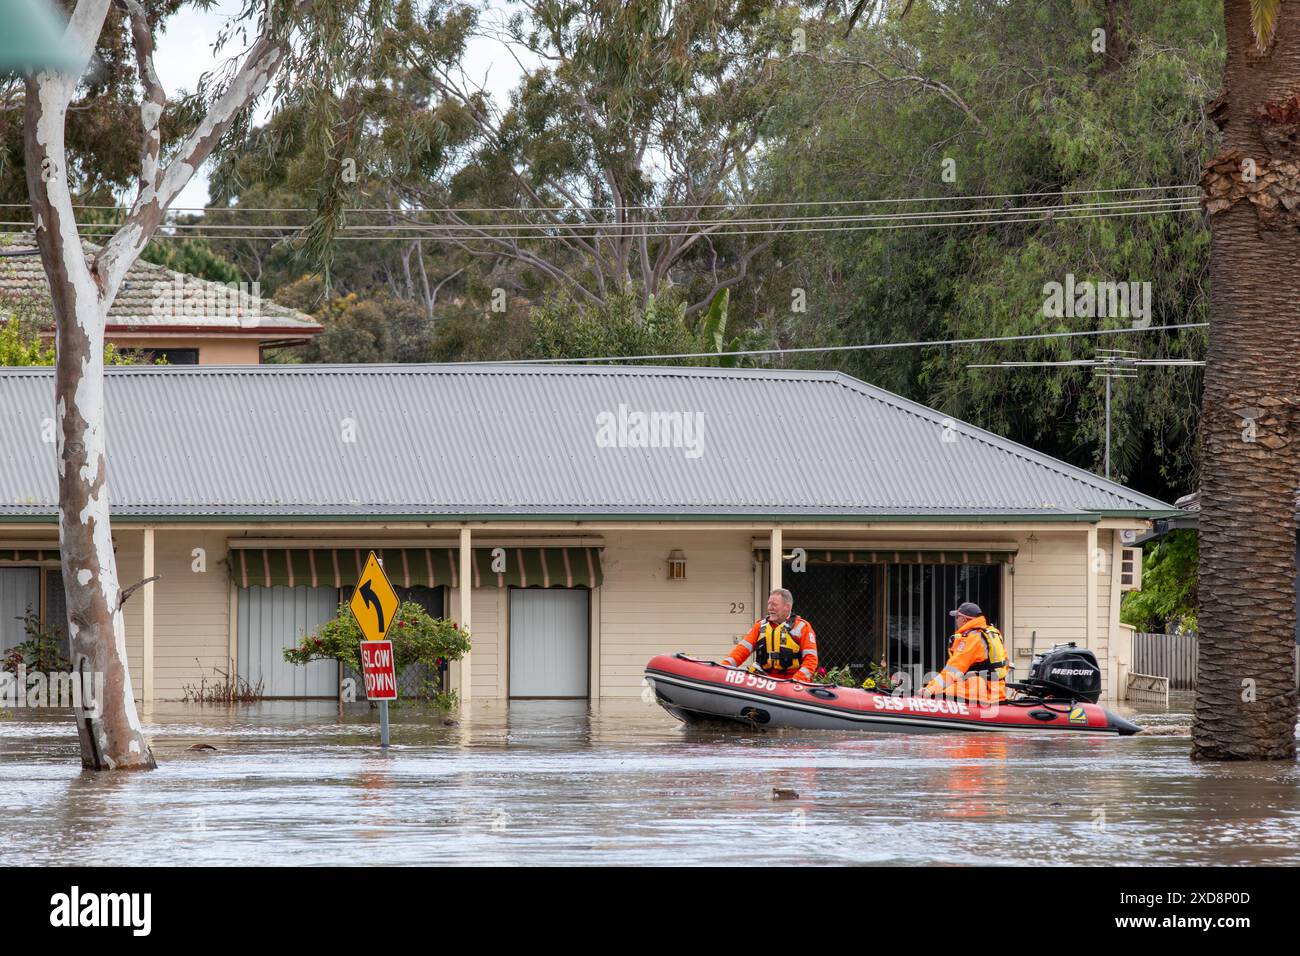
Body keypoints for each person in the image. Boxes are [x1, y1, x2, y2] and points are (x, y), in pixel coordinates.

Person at [720, 588, 819, 681]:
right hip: (764, 682)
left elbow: (811, 660)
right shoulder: (760, 627)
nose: (770, 608)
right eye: (769, 604)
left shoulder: (802, 627)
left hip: (790, 682)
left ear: (787, 607)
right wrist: (722, 669)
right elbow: (741, 651)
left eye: (774, 605)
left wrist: (796, 681)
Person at [922, 601, 1009, 703]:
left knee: (940, 693)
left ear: (963, 619)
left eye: (957, 617)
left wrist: (930, 689)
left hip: (978, 692)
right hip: (997, 692)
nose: (956, 621)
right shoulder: (992, 633)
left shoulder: (972, 638)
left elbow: (953, 670)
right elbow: (1005, 663)